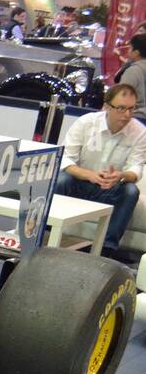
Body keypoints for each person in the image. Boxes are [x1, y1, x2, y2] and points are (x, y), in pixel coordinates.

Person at [56, 83, 146, 262]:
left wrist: (120, 176)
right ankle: (48, 233)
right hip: (79, 182)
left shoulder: (140, 132)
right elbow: (65, 159)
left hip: (109, 188)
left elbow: (136, 168)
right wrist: (88, 174)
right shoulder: (86, 123)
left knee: (130, 191)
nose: (127, 115)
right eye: (121, 108)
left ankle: (106, 250)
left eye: (131, 109)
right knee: (61, 180)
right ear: (106, 106)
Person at [116, 33, 146, 119]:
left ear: (136, 53)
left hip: (137, 119)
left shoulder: (133, 71)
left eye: (130, 48)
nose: (128, 51)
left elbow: (121, 96)